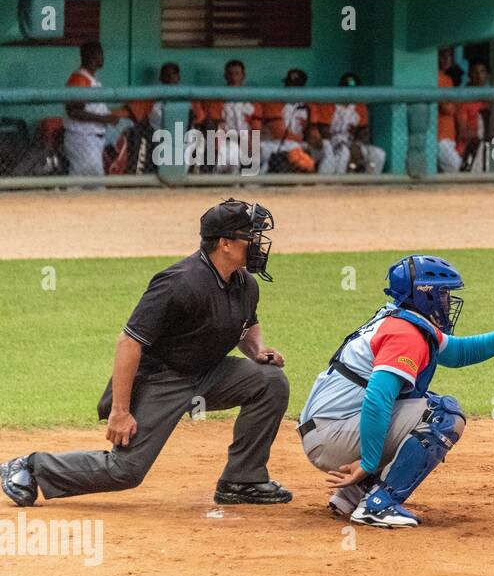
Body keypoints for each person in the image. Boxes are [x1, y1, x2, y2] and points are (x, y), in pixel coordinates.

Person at [2, 201, 292, 510]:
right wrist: (120, 410)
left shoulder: (244, 284)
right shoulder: (179, 282)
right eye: (250, 235)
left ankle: (242, 479)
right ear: (224, 243)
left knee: (270, 380)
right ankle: (30, 467)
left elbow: (247, 326)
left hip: (210, 375)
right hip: (162, 380)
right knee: (125, 470)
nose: (258, 243)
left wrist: (258, 350)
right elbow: (129, 342)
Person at [300, 255, 494, 527]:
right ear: (425, 294)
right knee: (441, 415)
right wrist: (368, 461)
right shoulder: (406, 334)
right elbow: (377, 400)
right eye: (444, 293)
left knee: (424, 404)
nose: (448, 301)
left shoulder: (402, 318)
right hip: (332, 436)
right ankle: (378, 505)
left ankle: (353, 494)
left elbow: (460, 352)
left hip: (327, 429)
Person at [63, 41, 126, 180]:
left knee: (80, 186)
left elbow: (95, 108)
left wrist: (114, 114)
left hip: (91, 139)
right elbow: (73, 111)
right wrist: (105, 119)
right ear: (93, 55)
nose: (103, 57)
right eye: (101, 54)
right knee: (94, 186)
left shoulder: (90, 79)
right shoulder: (80, 79)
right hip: (82, 139)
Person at [310, 72, 387, 174]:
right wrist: (348, 146)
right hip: (330, 143)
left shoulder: (360, 107)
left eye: (354, 90)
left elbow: (364, 131)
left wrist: (357, 143)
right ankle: (337, 185)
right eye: (347, 89)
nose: (350, 93)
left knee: (379, 154)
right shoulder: (329, 104)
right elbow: (324, 131)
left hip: (351, 143)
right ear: (340, 88)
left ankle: (368, 184)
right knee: (343, 153)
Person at [259, 68, 310, 172]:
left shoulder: (307, 106)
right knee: (272, 155)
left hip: (297, 144)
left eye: (295, 86)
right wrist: (299, 138)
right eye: (289, 84)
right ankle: (256, 184)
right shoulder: (274, 102)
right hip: (272, 143)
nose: (290, 88)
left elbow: (311, 131)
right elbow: (278, 132)